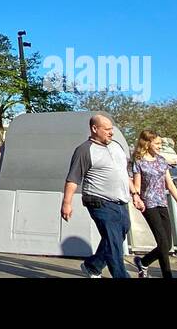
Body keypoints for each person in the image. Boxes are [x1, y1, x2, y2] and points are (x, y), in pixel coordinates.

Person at [62, 113, 145, 278]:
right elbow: (73, 178)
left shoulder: (116, 146)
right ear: (94, 129)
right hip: (99, 201)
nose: (111, 132)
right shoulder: (85, 150)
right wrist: (67, 202)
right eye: (106, 129)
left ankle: (93, 266)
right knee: (114, 243)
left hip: (120, 200)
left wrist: (135, 194)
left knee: (120, 233)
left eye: (111, 129)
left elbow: (123, 174)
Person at [130, 130, 177, 279]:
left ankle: (143, 262)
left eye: (160, 143)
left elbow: (170, 184)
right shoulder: (139, 162)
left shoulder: (162, 160)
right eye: (157, 143)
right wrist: (134, 196)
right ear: (147, 143)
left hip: (161, 202)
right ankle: (167, 274)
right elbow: (137, 186)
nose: (159, 146)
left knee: (167, 244)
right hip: (148, 205)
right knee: (162, 242)